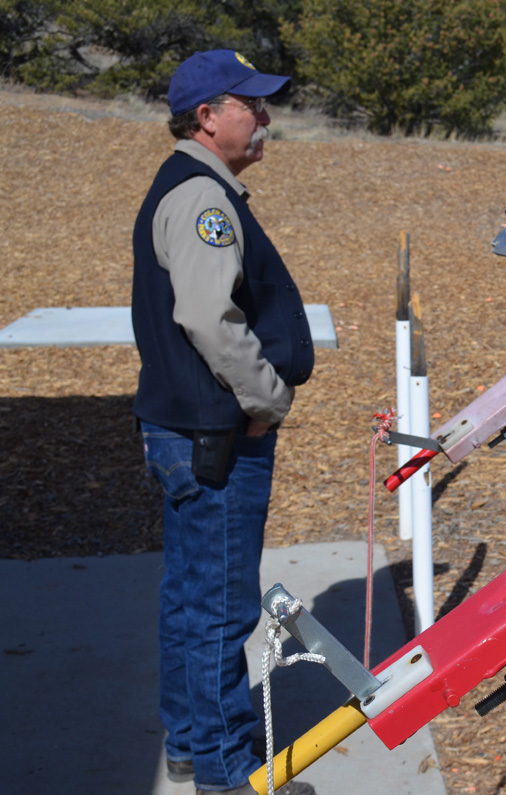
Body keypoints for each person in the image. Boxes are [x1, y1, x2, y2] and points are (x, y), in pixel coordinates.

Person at [131, 49, 315, 795]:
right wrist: (266, 397)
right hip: (218, 435)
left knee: (189, 599)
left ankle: (191, 741)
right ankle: (227, 770)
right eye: (251, 104)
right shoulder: (204, 199)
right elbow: (210, 317)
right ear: (207, 117)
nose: (266, 117)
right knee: (219, 607)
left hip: (187, 430)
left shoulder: (195, 187)